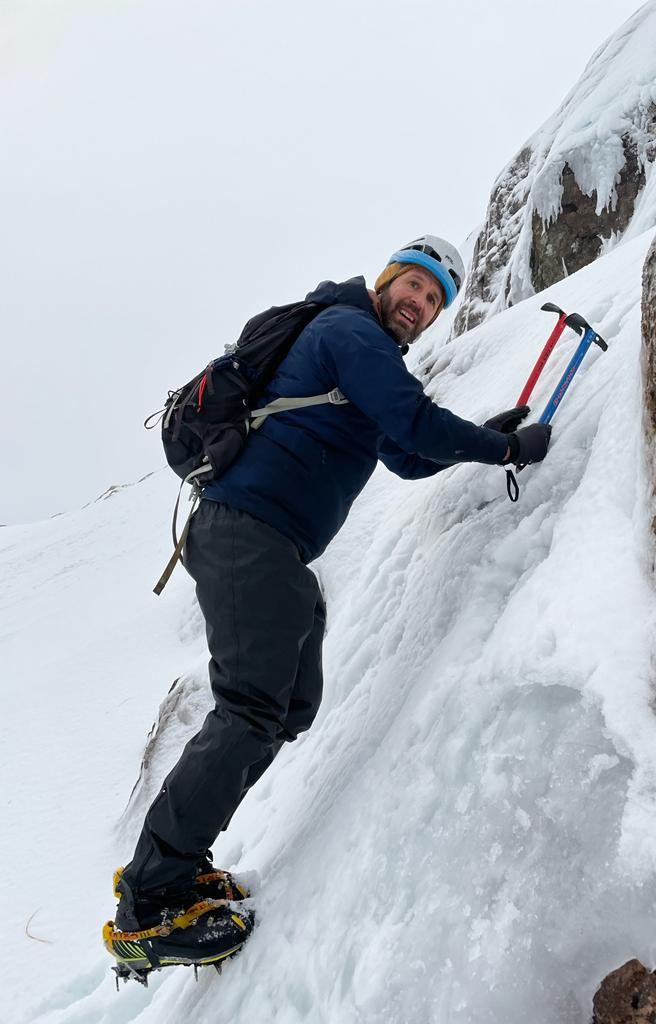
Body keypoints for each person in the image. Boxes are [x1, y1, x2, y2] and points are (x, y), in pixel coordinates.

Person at [105, 235, 551, 973]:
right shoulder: (349, 330)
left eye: (435, 300)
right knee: (249, 708)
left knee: (287, 709)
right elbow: (412, 423)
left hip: (268, 546)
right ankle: (148, 904)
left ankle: (178, 865)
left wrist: (486, 436)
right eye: (414, 286)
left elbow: (405, 453)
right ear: (386, 282)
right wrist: (501, 451)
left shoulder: (367, 354)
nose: (420, 304)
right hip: (247, 531)